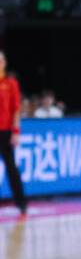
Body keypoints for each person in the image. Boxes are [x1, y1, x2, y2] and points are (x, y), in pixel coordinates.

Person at [0, 51, 26, 216]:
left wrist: (15, 131)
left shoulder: (11, 83)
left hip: (5, 131)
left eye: (1, 60)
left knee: (11, 167)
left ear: (4, 62)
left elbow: (16, 109)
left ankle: (21, 202)